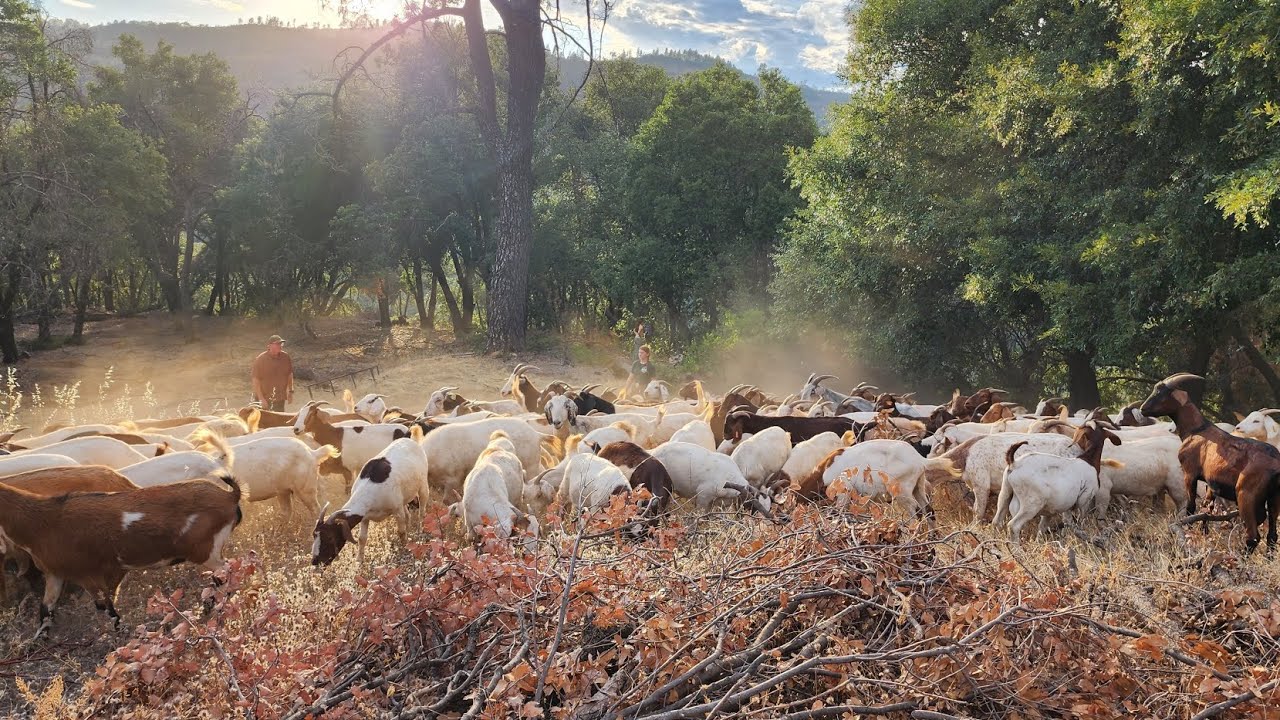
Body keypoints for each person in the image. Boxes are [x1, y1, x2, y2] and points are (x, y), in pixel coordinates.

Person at [251, 334, 294, 411]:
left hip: (280, 399)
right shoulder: (261, 359)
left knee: (279, 422)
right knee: (262, 422)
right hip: (264, 399)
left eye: (281, 344)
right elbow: (255, 380)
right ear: (270, 346)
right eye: (278, 344)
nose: (280, 346)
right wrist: (261, 399)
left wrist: (290, 391)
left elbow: (289, 375)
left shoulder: (285, 357)